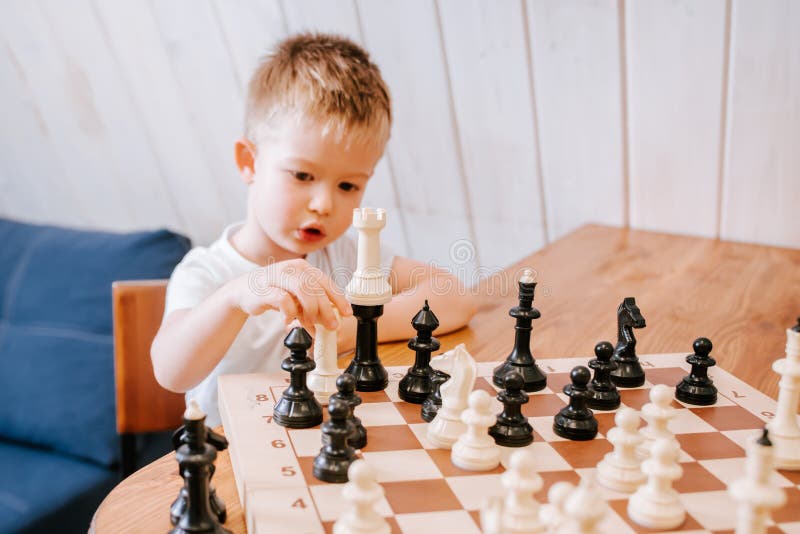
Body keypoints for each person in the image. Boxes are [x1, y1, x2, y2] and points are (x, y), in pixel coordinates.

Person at [151, 33, 477, 425]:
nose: (325, 204)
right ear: (248, 162)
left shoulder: (344, 256)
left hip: (322, 438)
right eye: (303, 175)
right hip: (232, 456)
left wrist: (357, 328)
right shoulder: (207, 272)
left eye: (348, 186)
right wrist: (236, 297)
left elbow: (456, 297)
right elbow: (171, 373)